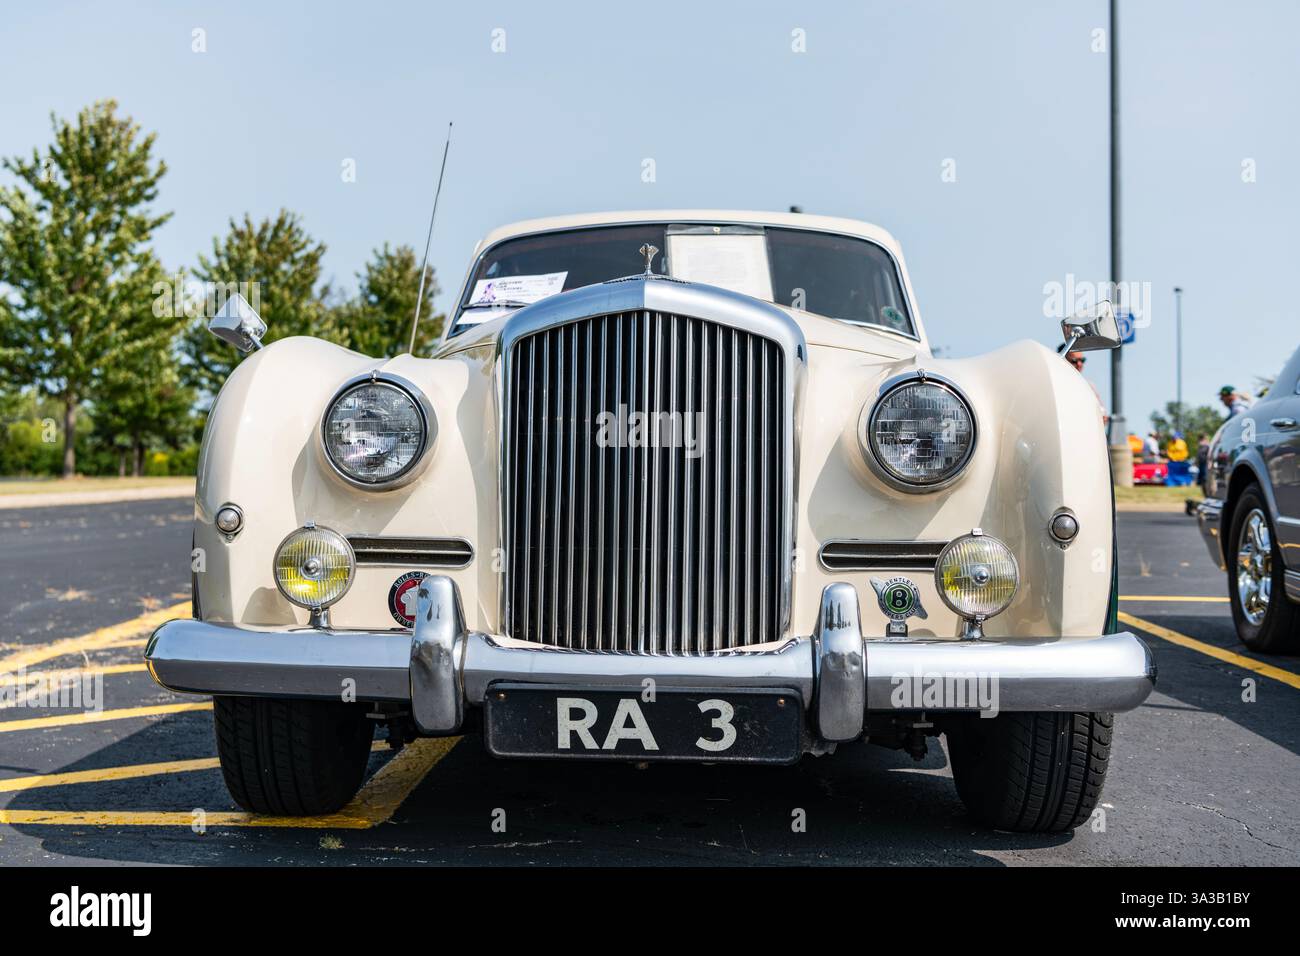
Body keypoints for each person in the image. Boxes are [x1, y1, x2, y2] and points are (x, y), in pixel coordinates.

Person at [1056, 343, 1107, 428]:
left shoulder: (1089, 386)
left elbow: (1103, 415)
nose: (1079, 364)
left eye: (1082, 360)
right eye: (1074, 360)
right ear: (1062, 360)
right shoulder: (1055, 383)